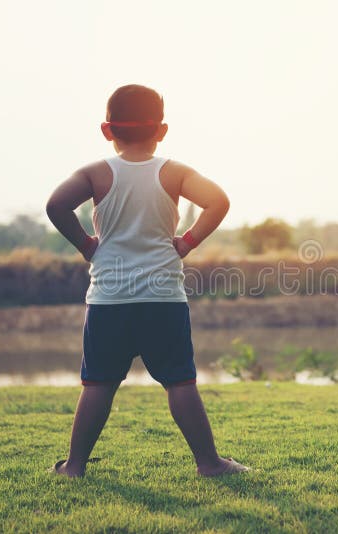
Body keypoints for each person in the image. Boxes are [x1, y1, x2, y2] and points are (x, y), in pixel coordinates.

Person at [45, 84, 249, 478]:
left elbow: (56, 205)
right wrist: (187, 242)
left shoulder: (95, 173)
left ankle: (74, 466)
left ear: (107, 130)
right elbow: (218, 201)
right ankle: (209, 463)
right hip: (162, 299)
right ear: (163, 129)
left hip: (109, 300)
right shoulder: (174, 172)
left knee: (98, 384)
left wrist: (87, 245)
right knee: (180, 381)